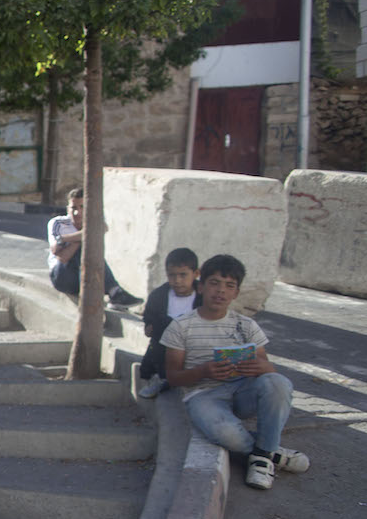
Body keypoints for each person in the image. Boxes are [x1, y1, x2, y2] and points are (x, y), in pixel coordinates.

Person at [161, 254, 309, 490]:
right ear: (201, 287)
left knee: (278, 382)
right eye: (214, 283)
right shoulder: (180, 326)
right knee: (226, 433)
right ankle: (267, 454)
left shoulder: (246, 325)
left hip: (242, 390)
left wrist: (264, 367)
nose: (221, 291)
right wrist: (203, 371)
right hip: (202, 395)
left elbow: (268, 368)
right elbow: (173, 377)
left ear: (236, 293)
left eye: (229, 286)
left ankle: (261, 457)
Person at [47, 188, 143, 309]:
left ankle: (113, 295)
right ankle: (115, 292)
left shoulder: (94, 221)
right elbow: (61, 256)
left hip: (85, 277)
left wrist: (66, 239)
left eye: (82, 207)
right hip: (62, 277)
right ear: (68, 209)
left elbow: (103, 228)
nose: (77, 212)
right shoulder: (58, 223)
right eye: (74, 208)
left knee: (88, 249)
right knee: (83, 246)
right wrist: (84, 237)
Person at [138, 247, 201, 398]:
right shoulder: (159, 296)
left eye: (183, 275)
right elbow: (149, 318)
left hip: (195, 342)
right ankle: (161, 377)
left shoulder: (203, 295)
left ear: (196, 274)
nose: (177, 280)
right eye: (172, 275)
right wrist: (149, 327)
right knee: (165, 326)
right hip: (166, 346)